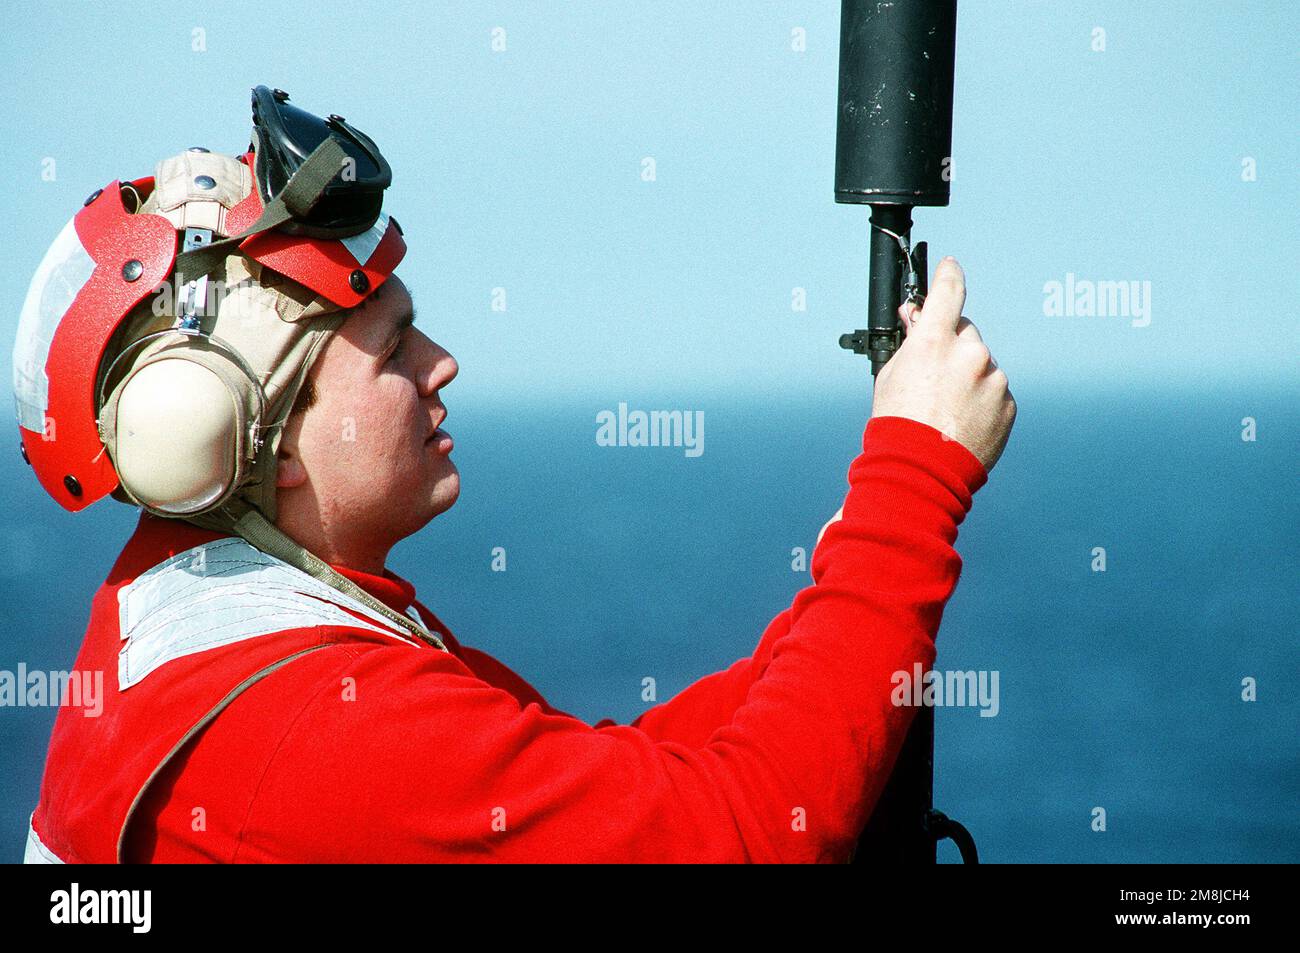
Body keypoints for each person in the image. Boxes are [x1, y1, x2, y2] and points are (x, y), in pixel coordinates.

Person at [17, 89, 1014, 864]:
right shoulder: (313, 723)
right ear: (249, 437)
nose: (439, 363)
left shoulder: (192, 608)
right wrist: (913, 481)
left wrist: (854, 572)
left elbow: (618, 782)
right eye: (393, 344)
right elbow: (741, 834)